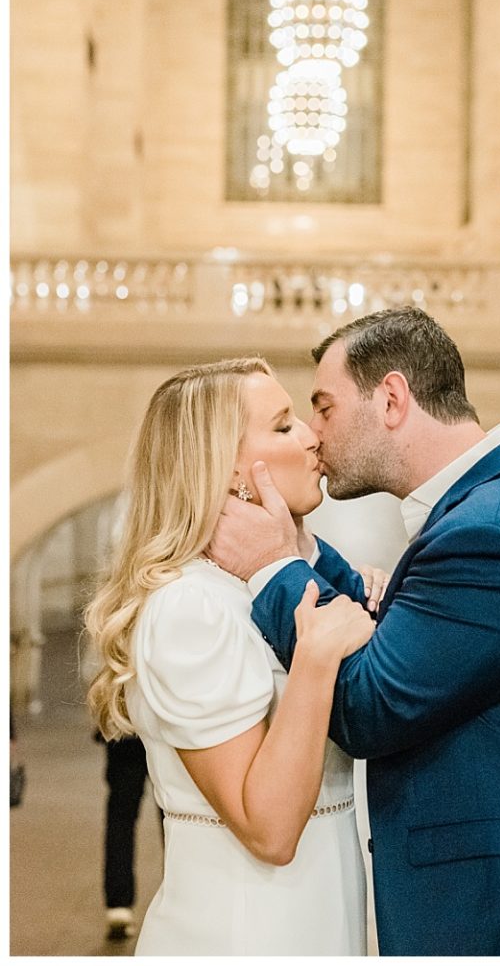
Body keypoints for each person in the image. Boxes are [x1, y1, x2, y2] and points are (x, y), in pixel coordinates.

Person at [206, 307, 500, 956]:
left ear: (391, 397)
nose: (313, 434)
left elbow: (370, 706)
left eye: (324, 408)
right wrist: (304, 552)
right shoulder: (492, 503)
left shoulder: (494, 529)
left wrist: (273, 566)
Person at [81, 358, 381, 954]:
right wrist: (316, 661)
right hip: (244, 930)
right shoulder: (190, 607)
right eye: (283, 425)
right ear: (228, 471)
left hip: (317, 917)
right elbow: (268, 830)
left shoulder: (265, 585)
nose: (312, 435)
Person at [96, 732, 151, 940]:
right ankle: (179, 892)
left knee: (120, 818)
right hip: (168, 729)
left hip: (123, 726)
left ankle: (119, 905)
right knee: (173, 817)